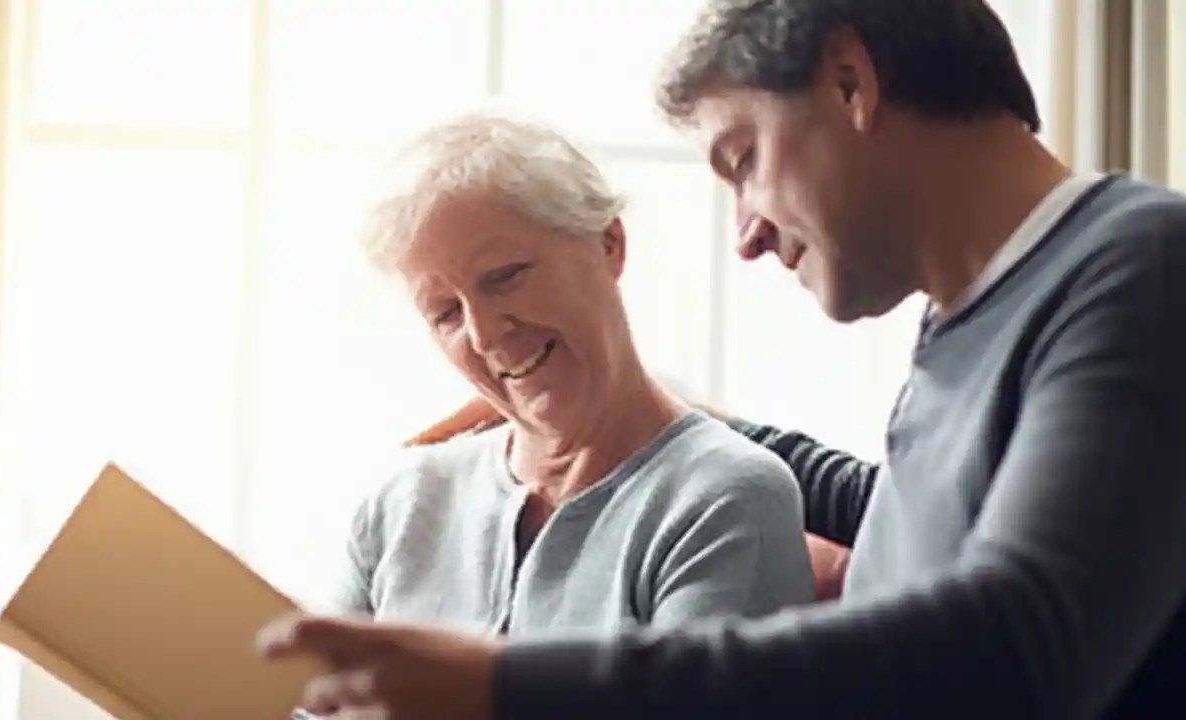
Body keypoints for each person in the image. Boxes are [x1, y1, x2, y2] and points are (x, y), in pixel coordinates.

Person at [258, 1, 1186, 717]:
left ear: (850, 84)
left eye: (741, 160)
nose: (744, 234)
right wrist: (657, 420)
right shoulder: (966, 336)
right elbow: (922, 527)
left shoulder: (1140, 268)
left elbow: (1014, 643)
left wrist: (505, 684)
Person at [317, 115, 815, 641]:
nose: (484, 335)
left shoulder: (726, 497)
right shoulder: (402, 502)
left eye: (504, 277)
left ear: (609, 244)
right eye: (446, 313)